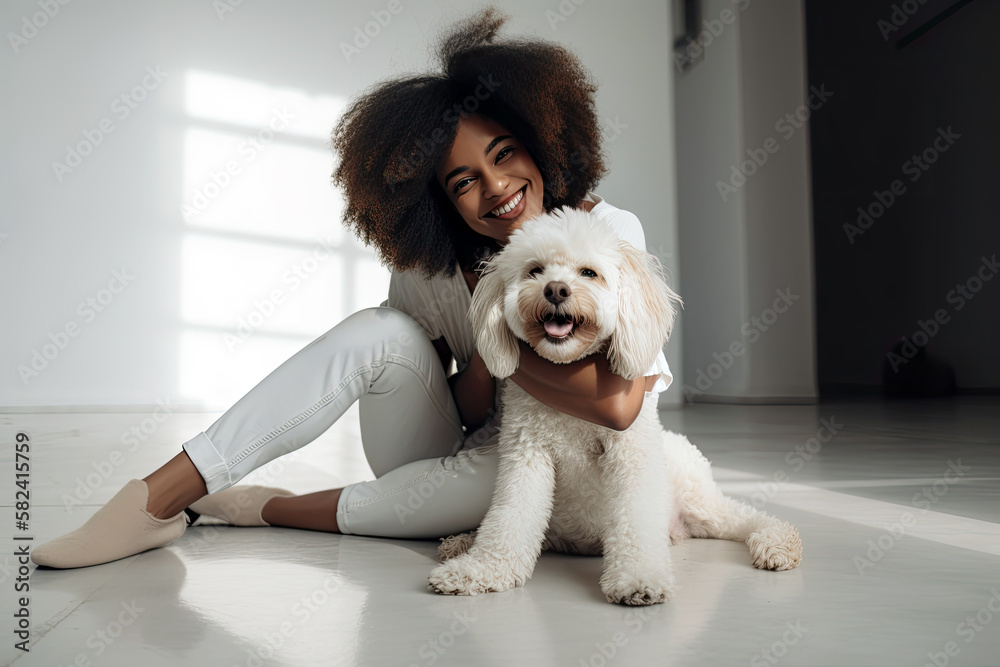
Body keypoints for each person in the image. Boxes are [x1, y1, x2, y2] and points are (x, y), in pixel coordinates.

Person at [31, 5, 672, 569]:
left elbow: (619, 406)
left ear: (540, 144)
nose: (495, 186)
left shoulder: (607, 231)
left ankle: (265, 509)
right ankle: (158, 496)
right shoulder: (433, 265)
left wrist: (502, 331)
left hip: (555, 467)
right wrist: (487, 344)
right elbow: (463, 411)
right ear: (439, 202)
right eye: (463, 181)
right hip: (449, 451)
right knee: (383, 331)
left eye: (504, 154)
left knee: (509, 477)